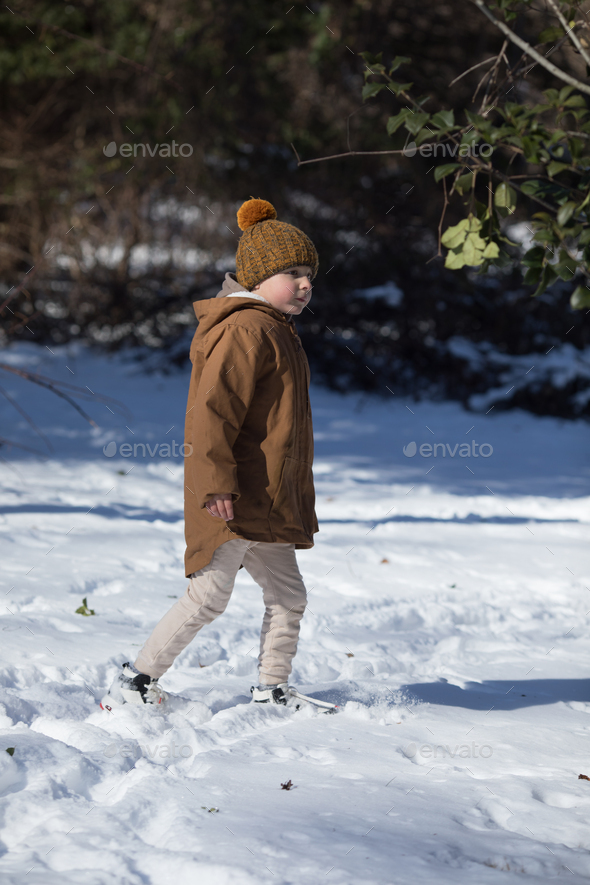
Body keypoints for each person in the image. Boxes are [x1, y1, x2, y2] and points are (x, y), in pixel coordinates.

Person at [102, 197, 320, 710]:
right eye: (293, 273)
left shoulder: (275, 328)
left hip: (267, 497)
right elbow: (212, 414)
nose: (306, 284)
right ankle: (136, 682)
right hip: (233, 495)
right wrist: (215, 482)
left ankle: (272, 687)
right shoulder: (245, 329)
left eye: (310, 275)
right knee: (208, 596)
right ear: (258, 277)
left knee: (289, 597)